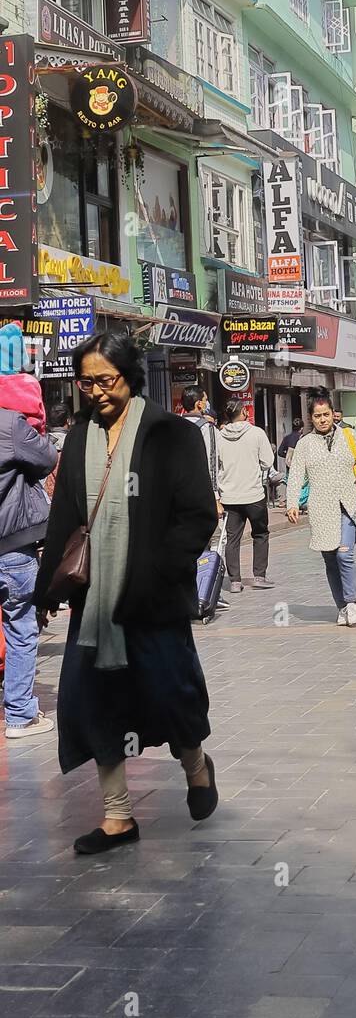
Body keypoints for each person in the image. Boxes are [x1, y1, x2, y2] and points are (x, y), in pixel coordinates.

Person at [33, 332, 218, 855]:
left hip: (152, 602)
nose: (95, 392)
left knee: (170, 693)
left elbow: (198, 515)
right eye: (86, 382)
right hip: (94, 607)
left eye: (105, 380)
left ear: (129, 375)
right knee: (90, 704)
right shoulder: (78, 439)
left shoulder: (170, 433)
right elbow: (67, 517)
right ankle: (118, 817)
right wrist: (49, 589)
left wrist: (157, 571)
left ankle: (196, 766)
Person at [285, 392, 356, 626]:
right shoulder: (305, 444)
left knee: (344, 553)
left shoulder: (350, 436)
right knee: (330, 559)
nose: (323, 419)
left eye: (326, 414)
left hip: (348, 505)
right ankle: (341, 606)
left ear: (334, 414)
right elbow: (296, 476)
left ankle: (351, 602)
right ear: (311, 418)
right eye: (317, 416)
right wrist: (292, 503)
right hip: (321, 508)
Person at [0, 403, 57, 740]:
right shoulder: (9, 424)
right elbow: (47, 458)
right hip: (11, 546)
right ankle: (20, 714)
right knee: (21, 627)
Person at [217, 400, 277, 592]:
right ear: (244, 412)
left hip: (229, 497)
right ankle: (259, 576)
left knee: (232, 539)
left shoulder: (219, 436)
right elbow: (268, 461)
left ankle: (234, 581)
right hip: (254, 495)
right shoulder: (257, 433)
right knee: (260, 534)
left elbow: (215, 463)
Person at [180, 385, 221, 521]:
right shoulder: (207, 428)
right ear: (199, 404)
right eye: (205, 400)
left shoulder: (172, 424)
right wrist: (215, 498)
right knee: (213, 538)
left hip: (177, 493)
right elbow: (212, 463)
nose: (207, 403)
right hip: (199, 493)